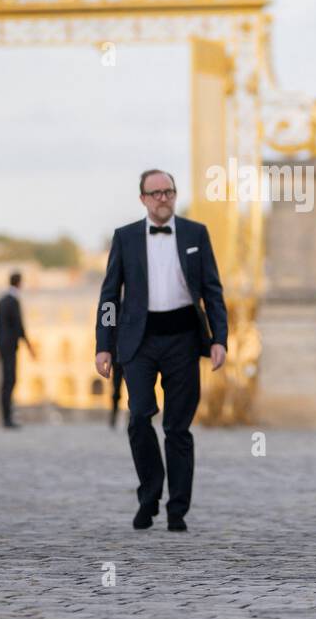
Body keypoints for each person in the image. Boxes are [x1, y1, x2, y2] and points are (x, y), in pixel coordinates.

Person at [94, 168, 228, 531]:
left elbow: (213, 291)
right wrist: (103, 346)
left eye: (168, 191)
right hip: (138, 340)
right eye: (154, 193)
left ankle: (178, 509)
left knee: (178, 428)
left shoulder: (196, 233)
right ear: (142, 199)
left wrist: (219, 339)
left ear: (175, 194)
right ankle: (149, 495)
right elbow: (110, 296)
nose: (162, 198)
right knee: (139, 417)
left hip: (183, 337)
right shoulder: (125, 237)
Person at [0, 270, 36, 428]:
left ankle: (6, 417)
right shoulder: (13, 301)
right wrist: (29, 346)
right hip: (10, 346)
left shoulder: (2, 300)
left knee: (6, 381)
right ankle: (7, 418)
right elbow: (19, 326)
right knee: (10, 381)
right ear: (19, 283)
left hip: (3, 345)